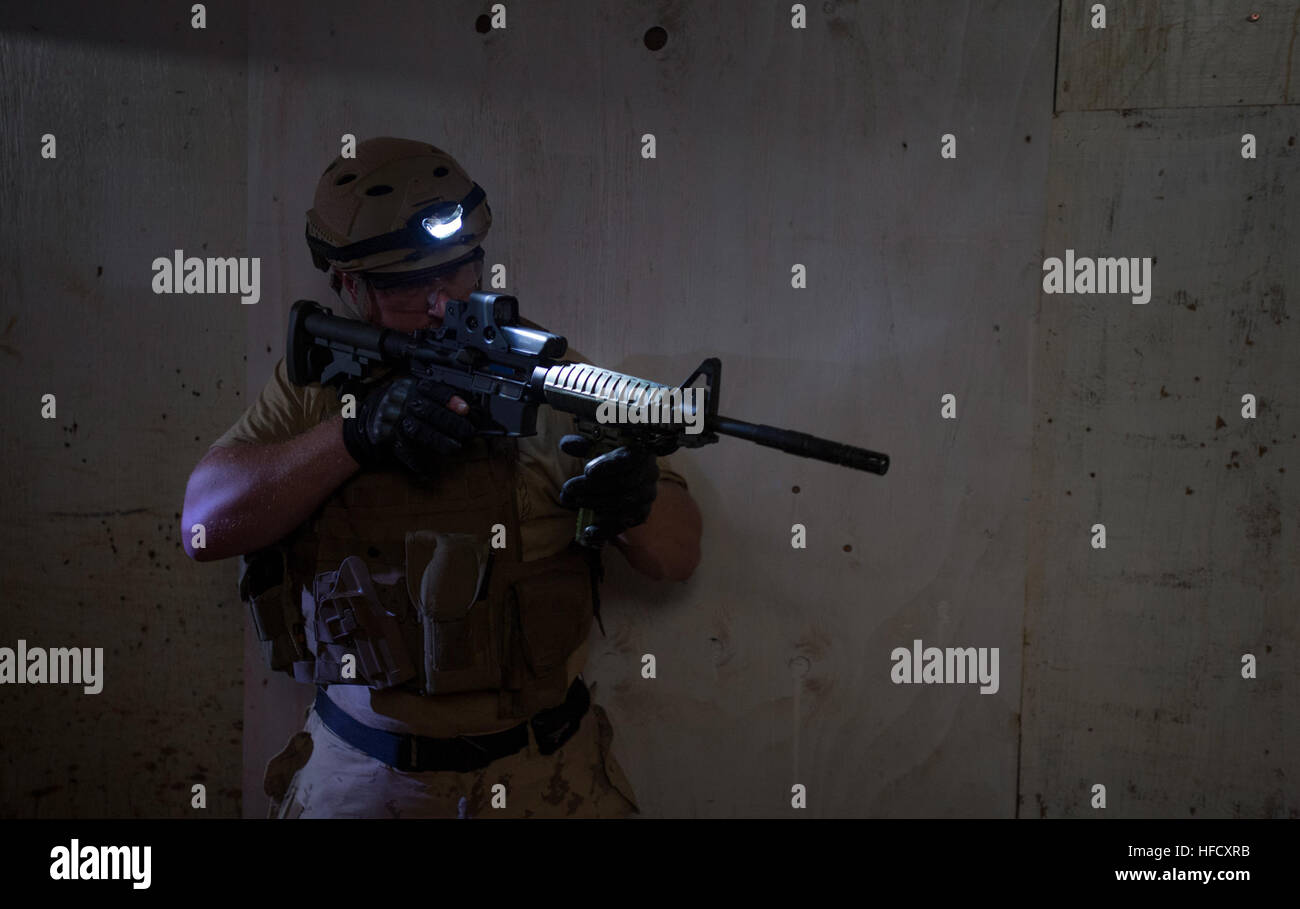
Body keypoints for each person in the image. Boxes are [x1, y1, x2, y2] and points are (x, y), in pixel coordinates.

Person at [181, 136, 702, 818]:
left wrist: (633, 502)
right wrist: (356, 434)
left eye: (457, 271)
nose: (439, 303)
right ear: (347, 284)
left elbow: (678, 553)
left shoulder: (548, 372)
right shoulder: (315, 388)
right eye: (405, 285)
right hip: (366, 777)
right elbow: (203, 524)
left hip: (543, 773)